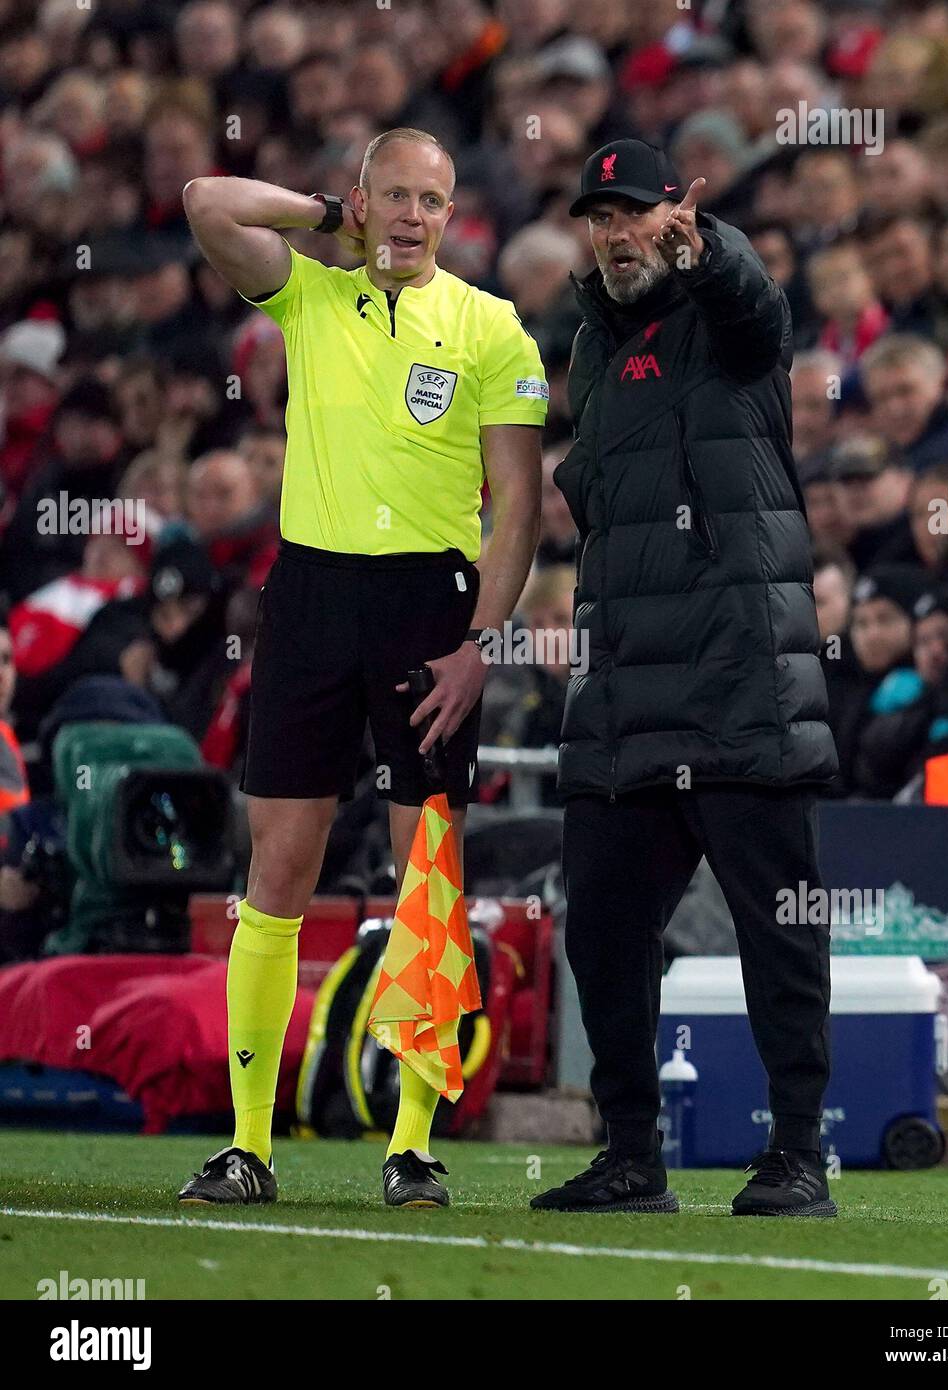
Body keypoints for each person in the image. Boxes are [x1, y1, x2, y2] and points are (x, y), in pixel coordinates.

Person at [176, 127, 545, 1210]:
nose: (410, 217)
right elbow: (205, 200)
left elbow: (518, 501)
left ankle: (412, 1144)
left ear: (451, 213)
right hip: (310, 599)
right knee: (274, 876)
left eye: (430, 200)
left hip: (426, 607)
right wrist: (311, 214)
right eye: (392, 197)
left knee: (424, 876)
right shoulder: (312, 296)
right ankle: (248, 1145)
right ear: (360, 201)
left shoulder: (490, 327)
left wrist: (480, 638)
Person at [532, 139, 839, 1218]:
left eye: (634, 214)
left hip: (742, 678)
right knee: (603, 929)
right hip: (622, 693)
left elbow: (757, 308)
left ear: (674, 216)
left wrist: (704, 252)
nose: (617, 235)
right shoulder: (590, 350)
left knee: (779, 925)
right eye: (598, 219)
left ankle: (798, 1153)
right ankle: (629, 1155)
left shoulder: (729, 311)